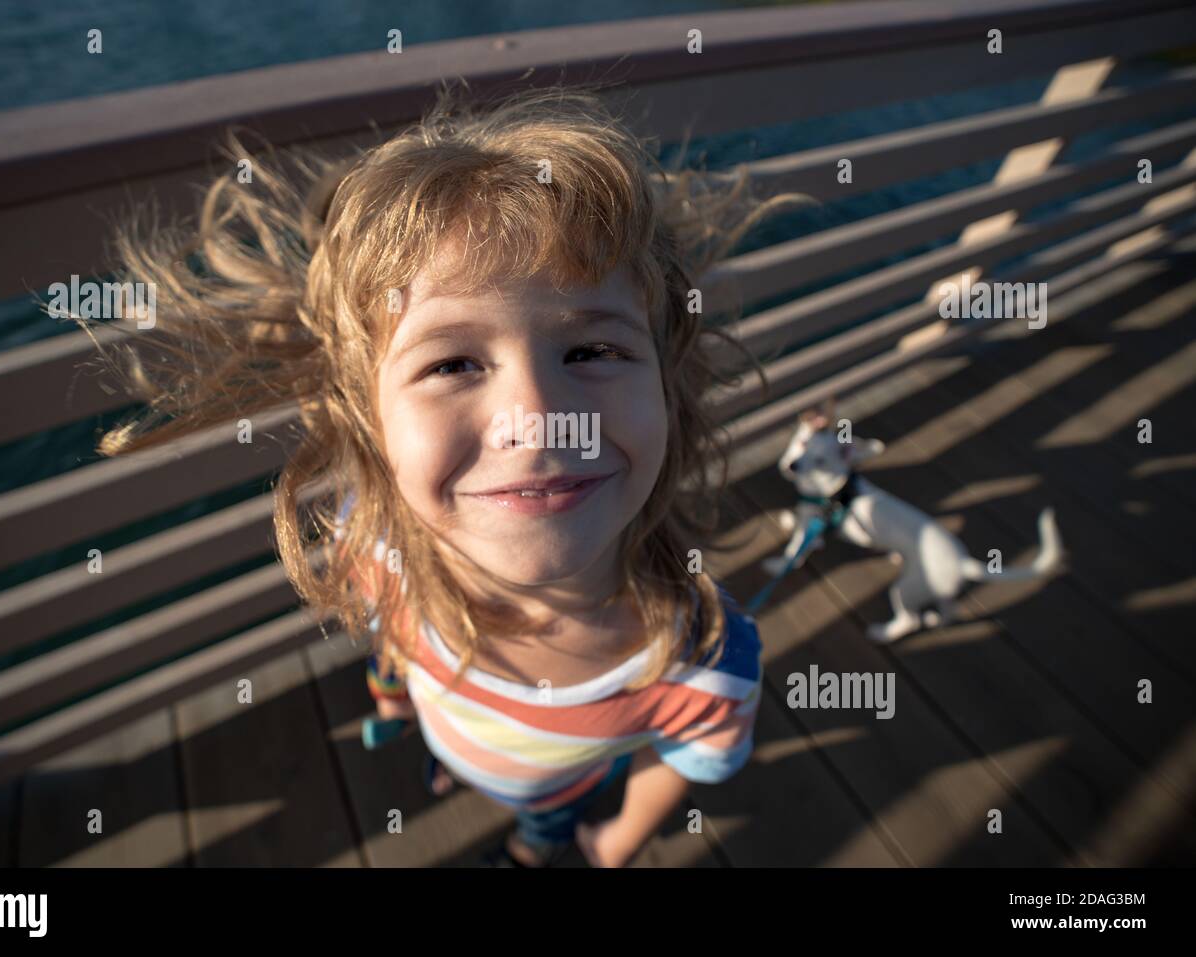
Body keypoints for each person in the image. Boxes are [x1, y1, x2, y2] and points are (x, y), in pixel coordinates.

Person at [93, 83, 799, 867]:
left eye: (593, 351)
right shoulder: (376, 539)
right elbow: (391, 631)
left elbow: (688, 752)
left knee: (542, 831)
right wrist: (394, 692)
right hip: (445, 724)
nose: (533, 419)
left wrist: (621, 836)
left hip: (555, 792)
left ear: (667, 385)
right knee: (453, 754)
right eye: (453, 362)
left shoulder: (701, 656)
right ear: (369, 417)